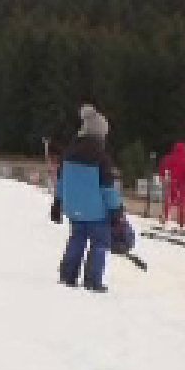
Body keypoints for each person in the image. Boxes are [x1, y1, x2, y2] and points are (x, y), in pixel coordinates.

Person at [53, 104, 123, 292]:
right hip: (96, 212)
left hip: (74, 209)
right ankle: (92, 280)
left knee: (77, 239)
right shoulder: (101, 157)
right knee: (100, 243)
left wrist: (57, 203)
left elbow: (61, 181)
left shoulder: (68, 152)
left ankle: (67, 275)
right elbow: (108, 188)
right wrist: (116, 211)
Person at [157, 138, 185, 230]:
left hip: (170, 183)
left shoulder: (168, 158)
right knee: (183, 204)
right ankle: (182, 223)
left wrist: (163, 178)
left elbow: (162, 169)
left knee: (168, 201)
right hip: (182, 185)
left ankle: (164, 218)